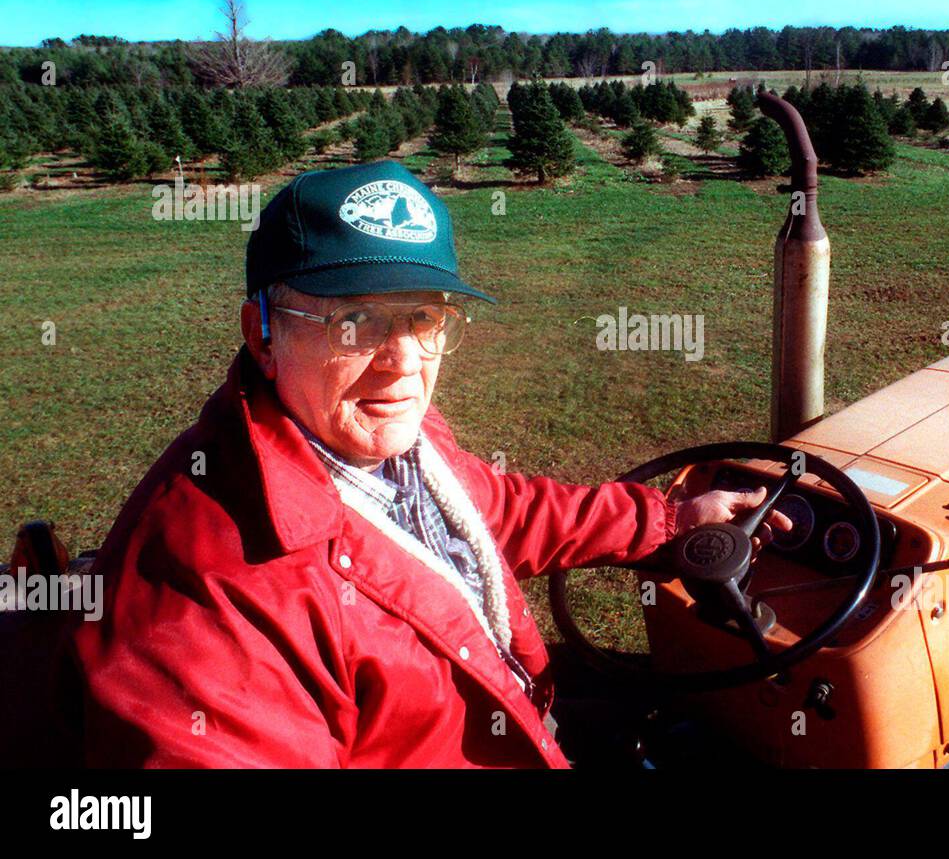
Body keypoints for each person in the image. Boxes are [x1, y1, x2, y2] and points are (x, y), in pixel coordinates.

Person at [60, 160, 787, 767]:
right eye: (354, 320)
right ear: (263, 334)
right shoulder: (206, 597)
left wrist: (668, 519)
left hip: (526, 720)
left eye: (425, 317)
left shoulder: (385, 434)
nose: (403, 362)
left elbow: (494, 511)